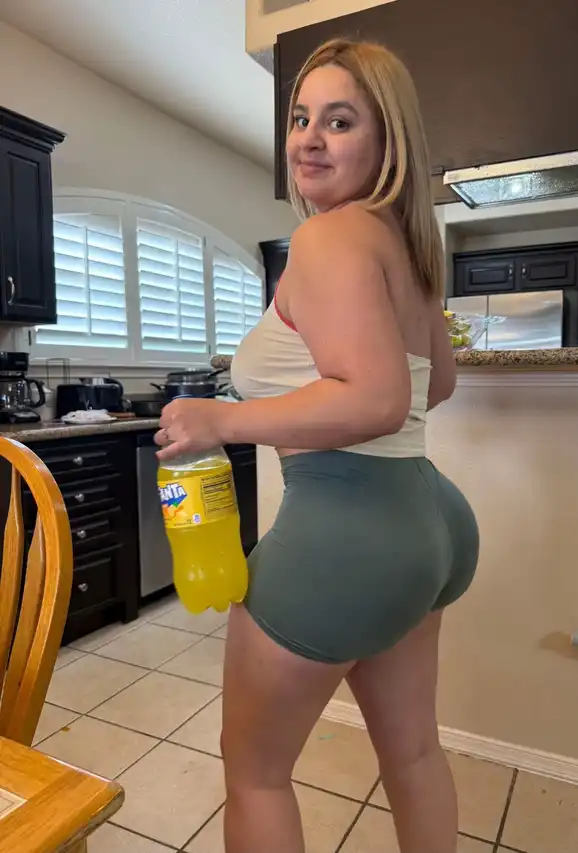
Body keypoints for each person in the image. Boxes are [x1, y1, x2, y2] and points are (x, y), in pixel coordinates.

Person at [155, 37, 479, 853]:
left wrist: (221, 419)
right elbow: (436, 386)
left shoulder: (330, 239)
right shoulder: (406, 244)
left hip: (343, 535)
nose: (308, 139)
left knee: (255, 773)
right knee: (413, 751)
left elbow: (378, 399)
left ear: (386, 141)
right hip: (428, 526)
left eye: (339, 121)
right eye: (301, 119)